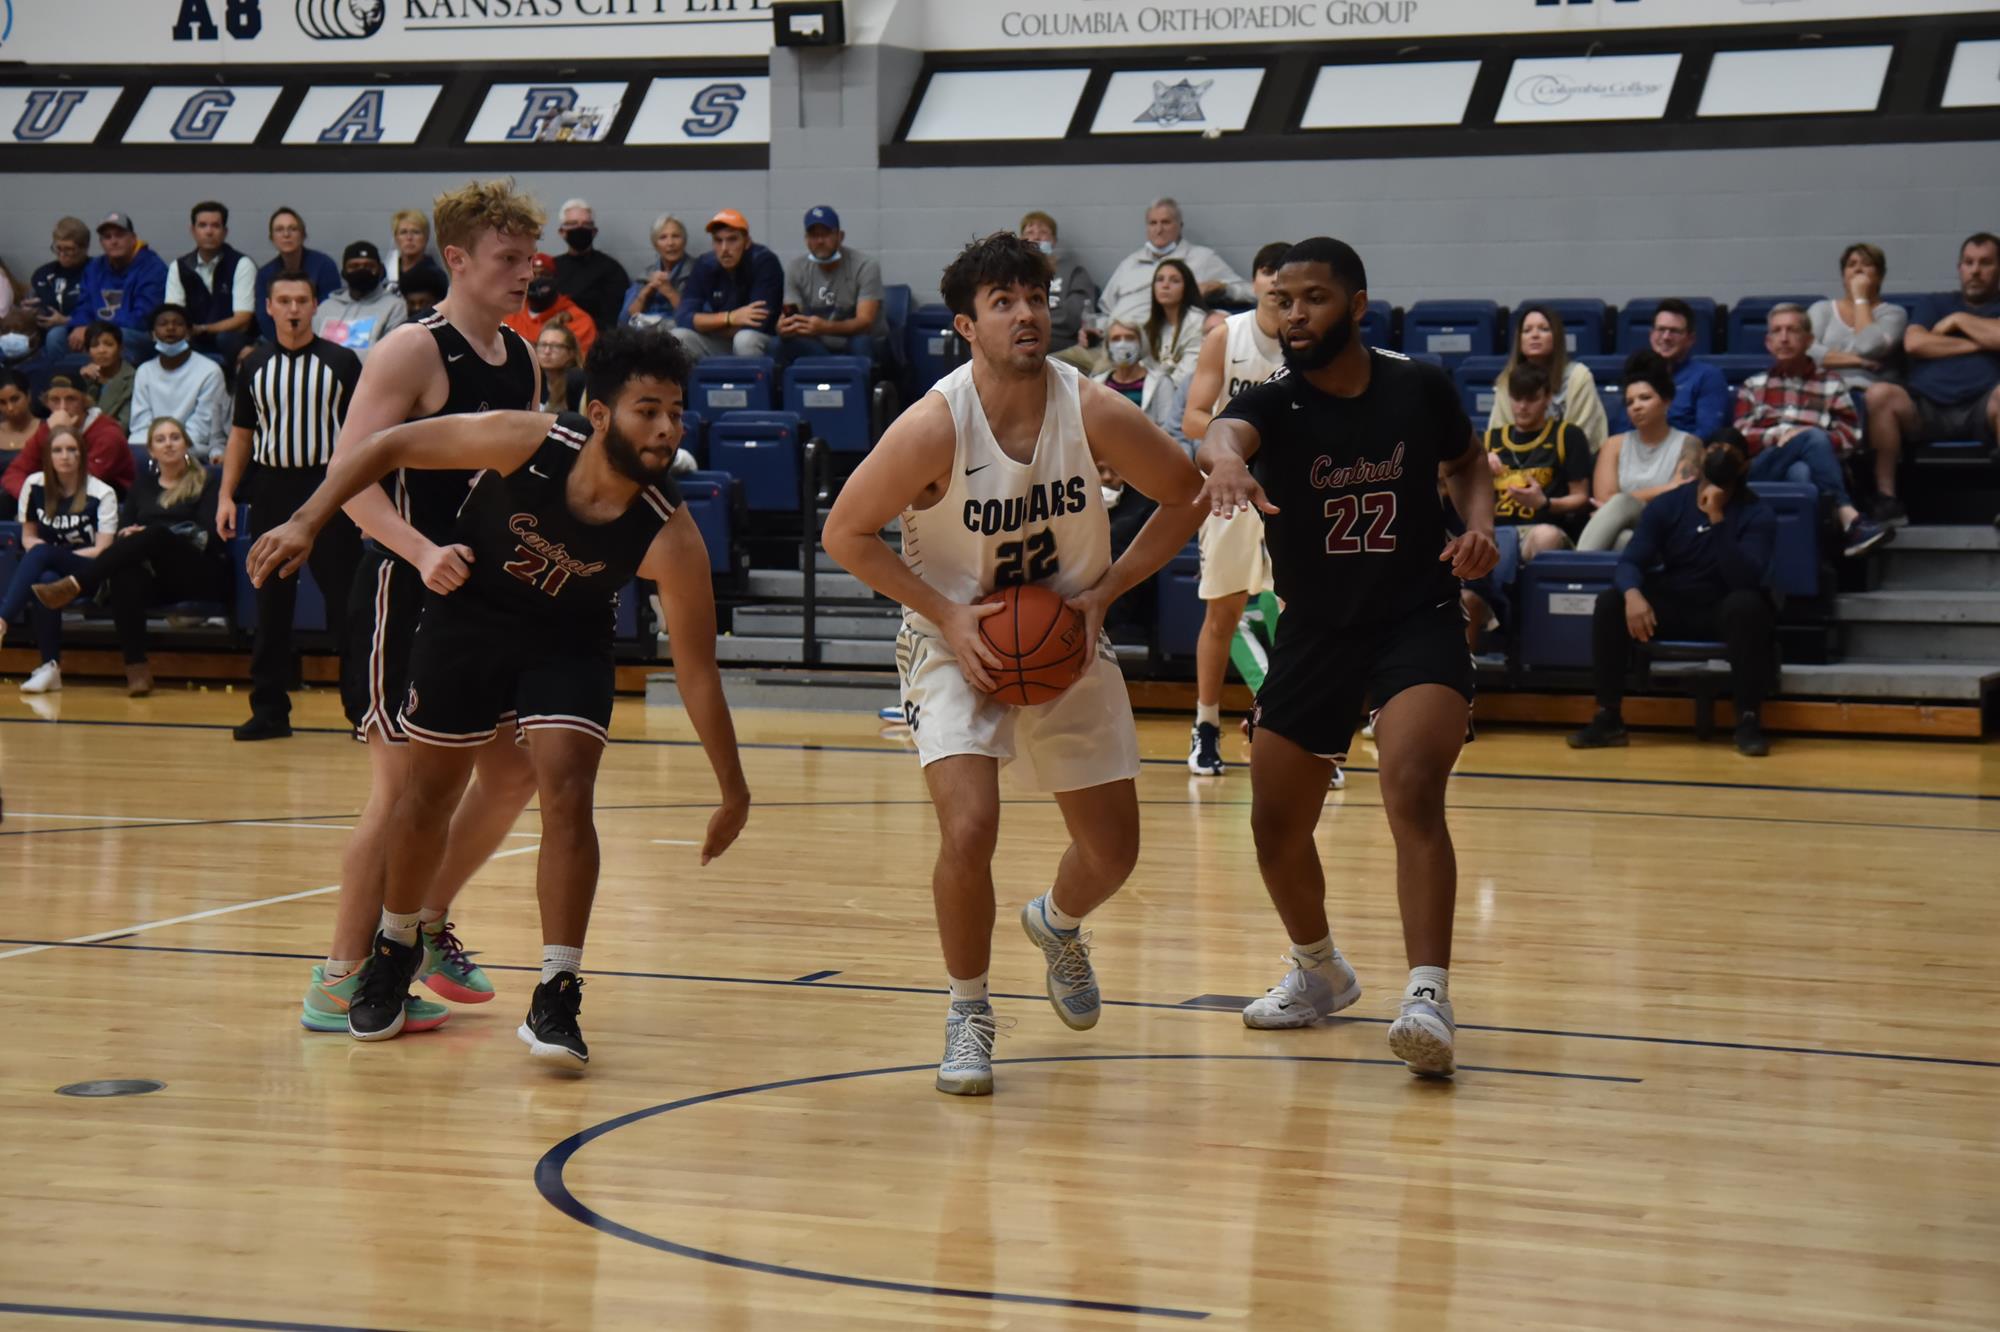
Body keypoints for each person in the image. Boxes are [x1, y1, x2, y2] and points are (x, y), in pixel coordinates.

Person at [247, 325, 750, 1064]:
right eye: (648, 411)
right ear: (600, 414)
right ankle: (394, 947)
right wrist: (305, 519)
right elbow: (386, 446)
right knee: (427, 792)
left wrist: (733, 789)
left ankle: (557, 989)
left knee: (567, 790)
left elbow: (697, 671)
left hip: (568, 638)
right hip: (469, 619)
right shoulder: (529, 441)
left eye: (675, 412)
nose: (667, 429)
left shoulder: (668, 533)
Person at [822, 232, 1207, 1097]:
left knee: (1113, 853)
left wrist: (1108, 590)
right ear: (967, 325)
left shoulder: (1091, 407)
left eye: (1034, 297)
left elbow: (1185, 493)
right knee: (969, 829)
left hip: (1063, 635)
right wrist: (947, 615)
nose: (1026, 313)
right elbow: (844, 532)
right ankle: (968, 1010)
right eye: (1003, 302)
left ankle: (1057, 923)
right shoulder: (935, 425)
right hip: (953, 642)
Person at [1196, 236, 1498, 1079]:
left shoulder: (1417, 385)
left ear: (1357, 305)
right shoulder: (1273, 400)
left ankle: (1429, 995)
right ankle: (1319, 968)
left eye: (1314, 298)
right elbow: (1221, 434)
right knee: (1274, 823)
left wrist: (1479, 527)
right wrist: (1226, 463)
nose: (1294, 315)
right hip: (1316, 629)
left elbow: (1468, 462)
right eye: (1282, 300)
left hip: (1416, 617)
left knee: (1411, 785)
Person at [276, 178, 548, 1038]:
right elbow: (348, 477)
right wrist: (423, 550)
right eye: (508, 258)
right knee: (400, 791)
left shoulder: (524, 357)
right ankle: (339, 978)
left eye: (531, 258)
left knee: (514, 771)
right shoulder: (410, 351)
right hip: (405, 588)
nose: (525, 272)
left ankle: (423, 920)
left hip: (484, 597)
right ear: (456, 259)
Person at [1569, 430, 1778, 757]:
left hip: (1723, 607)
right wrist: (1633, 594)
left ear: (1745, 466)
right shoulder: (1669, 504)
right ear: (1702, 456)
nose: (1720, 455)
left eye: (1730, 451)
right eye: (1714, 448)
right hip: (1675, 604)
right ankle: (1608, 717)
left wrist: (1718, 519)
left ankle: (1748, 720)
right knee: (1611, 601)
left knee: (1747, 605)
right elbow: (1630, 561)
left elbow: (1744, 578)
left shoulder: (1758, 513)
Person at [218, 273, 365, 741]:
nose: (294, 308)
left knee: (347, 607)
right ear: (269, 307)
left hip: (330, 489)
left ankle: (362, 712)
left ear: (316, 305)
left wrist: (366, 502)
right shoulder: (254, 363)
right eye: (284, 300)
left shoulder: (342, 362)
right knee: (270, 606)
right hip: (272, 489)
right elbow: (241, 435)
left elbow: (365, 436)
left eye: (302, 299)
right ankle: (269, 712)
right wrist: (225, 495)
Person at [1179, 241, 1289, 778]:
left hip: (1288, 490)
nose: (1275, 283)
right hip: (1229, 486)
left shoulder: (1309, 341)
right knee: (1221, 613)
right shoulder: (1227, 336)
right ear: (1255, 280)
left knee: (1293, 614)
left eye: (1284, 275)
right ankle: (1205, 725)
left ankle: (1293, 729)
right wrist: (1243, 438)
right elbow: (1193, 418)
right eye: (1267, 272)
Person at [32, 417, 226, 696]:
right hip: (157, 576)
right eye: (160, 439)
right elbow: (123, 530)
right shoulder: (143, 485)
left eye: (175, 437)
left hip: (197, 570)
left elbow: (208, 533)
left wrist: (150, 534)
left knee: (156, 534)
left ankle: (79, 582)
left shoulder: (208, 481)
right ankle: (137, 670)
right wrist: (129, 534)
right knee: (125, 574)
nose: (168, 444)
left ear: (186, 444)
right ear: (151, 450)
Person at [1864, 232, 2000, 528]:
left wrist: (1959, 321)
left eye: (1985, 263)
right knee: (1880, 394)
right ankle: (1886, 501)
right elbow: (1915, 343)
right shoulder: (1935, 303)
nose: (1975, 270)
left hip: (1983, 407)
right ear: (1959, 268)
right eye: (1969, 263)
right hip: (1926, 406)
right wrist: (1979, 342)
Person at [1734, 304, 1887, 558]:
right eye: (1777, 331)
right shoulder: (1754, 385)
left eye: (1792, 330)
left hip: (1814, 468)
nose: (1784, 338)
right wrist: (1785, 437)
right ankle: (1849, 517)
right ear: (1768, 342)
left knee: (1801, 472)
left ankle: (1804, 560)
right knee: (1812, 436)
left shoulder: (1831, 383)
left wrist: (1809, 440)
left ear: (1808, 341)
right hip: (1764, 467)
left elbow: (1851, 437)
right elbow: (1740, 437)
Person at [1461, 362, 1595, 648]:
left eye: (1531, 399)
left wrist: (1544, 502)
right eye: (1517, 398)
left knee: (1544, 537)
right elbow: (1464, 497)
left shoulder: (1567, 435)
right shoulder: (1490, 440)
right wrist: (1480, 468)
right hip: (1497, 531)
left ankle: (1534, 628)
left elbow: (1581, 497)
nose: (1522, 407)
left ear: (1548, 398)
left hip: (1542, 527)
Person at [0, 426, 119, 694]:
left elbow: (103, 550)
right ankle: (50, 668)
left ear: (82, 455)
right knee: (47, 579)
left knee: (43, 555)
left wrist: (55, 556)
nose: (64, 456)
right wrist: (51, 558)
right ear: (48, 456)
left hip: (89, 572)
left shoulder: (102, 493)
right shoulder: (34, 485)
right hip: (49, 569)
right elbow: (28, 538)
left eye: (71, 450)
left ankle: (2, 620)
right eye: (57, 450)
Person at [1577, 352, 1701, 551]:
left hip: (1668, 526)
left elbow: (1682, 493)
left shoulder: (1690, 444)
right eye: (1630, 402)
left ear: (1666, 401)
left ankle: (1577, 565)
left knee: (1622, 505)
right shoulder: (1613, 445)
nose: (1636, 407)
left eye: (1645, 398)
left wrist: (1625, 501)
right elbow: (1604, 500)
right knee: (1624, 539)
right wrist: (1666, 488)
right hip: (1628, 529)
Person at [1099, 197, 1252, 327]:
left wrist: (1220, 287)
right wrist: (1095, 329)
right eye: (1153, 223)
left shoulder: (1201, 258)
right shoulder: (1130, 263)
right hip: (1115, 338)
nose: (1159, 230)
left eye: (1165, 222)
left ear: (1180, 226)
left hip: (1161, 340)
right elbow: (1105, 310)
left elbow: (1250, 292)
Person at [2, 375, 136, 514]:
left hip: (104, 503)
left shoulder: (108, 434)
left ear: (85, 401)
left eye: (71, 399)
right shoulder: (48, 429)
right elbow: (13, 474)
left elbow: (78, 484)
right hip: (56, 501)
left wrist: (60, 433)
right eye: (55, 400)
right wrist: (31, 498)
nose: (63, 408)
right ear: (47, 403)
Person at [1488, 304, 1608, 451]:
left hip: (1568, 459)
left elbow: (1583, 435)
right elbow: (1498, 436)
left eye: (1544, 329)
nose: (1535, 335)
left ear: (1556, 337)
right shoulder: (1507, 380)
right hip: (1516, 459)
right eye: (1527, 330)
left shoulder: (1579, 377)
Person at [776, 206, 884, 367]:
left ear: (840, 236)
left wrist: (825, 327)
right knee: (782, 344)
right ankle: (829, 372)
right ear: (806, 239)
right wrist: (784, 327)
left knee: (861, 343)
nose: (820, 241)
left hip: (856, 340)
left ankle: (842, 375)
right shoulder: (795, 268)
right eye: (814, 235)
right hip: (819, 344)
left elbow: (865, 323)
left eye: (826, 234)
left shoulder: (865, 266)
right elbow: (792, 315)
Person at [673, 209, 783, 363]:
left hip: (761, 340)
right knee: (678, 337)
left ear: (747, 242)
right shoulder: (705, 264)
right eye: (718, 241)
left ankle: (756, 380)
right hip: (721, 340)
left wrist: (707, 323)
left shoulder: (764, 261)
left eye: (732, 239)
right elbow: (683, 317)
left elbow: (758, 324)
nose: (724, 248)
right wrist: (729, 318)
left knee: (744, 339)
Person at [127, 305, 228, 460]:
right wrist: (158, 444)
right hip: (150, 443)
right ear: (152, 335)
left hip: (191, 445)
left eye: (178, 324)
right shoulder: (144, 371)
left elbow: (202, 427)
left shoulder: (210, 371)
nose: (170, 328)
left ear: (188, 333)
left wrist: (170, 444)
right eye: (163, 324)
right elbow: (140, 423)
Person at [165, 201, 255, 369]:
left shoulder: (241, 264)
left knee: (226, 338)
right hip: (193, 338)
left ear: (225, 232)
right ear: (193, 230)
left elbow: (243, 320)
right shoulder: (178, 267)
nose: (209, 231)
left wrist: (204, 328)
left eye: (215, 226)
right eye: (202, 225)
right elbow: (173, 314)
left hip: (230, 340)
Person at [65, 213, 168, 359]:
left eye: (120, 235)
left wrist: (95, 331)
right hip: (96, 330)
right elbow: (84, 305)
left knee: (117, 338)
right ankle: (73, 371)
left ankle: (102, 370)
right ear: (101, 243)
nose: (113, 241)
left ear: (133, 238)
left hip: (138, 335)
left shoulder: (153, 267)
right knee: (56, 337)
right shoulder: (94, 267)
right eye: (107, 237)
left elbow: (143, 318)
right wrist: (81, 325)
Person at [1807, 242, 1907, 391]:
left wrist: (1860, 299)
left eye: (1867, 264)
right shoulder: (1821, 309)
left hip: (1869, 391)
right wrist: (1859, 361)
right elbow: (1806, 352)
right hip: (1823, 389)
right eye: (1851, 265)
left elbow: (1868, 347)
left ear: (1880, 276)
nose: (1858, 269)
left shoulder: (1894, 313)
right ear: (1844, 275)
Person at [1021, 211, 1102, 373]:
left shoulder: (1074, 271)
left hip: (1060, 344)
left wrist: (1036, 323)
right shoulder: (1012, 274)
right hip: (1020, 341)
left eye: (1043, 232)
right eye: (1030, 232)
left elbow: (1074, 316)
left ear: (1053, 241)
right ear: (1021, 240)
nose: (1036, 237)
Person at [253, 208, 341, 344]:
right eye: (279, 230)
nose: (286, 234)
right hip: (277, 340)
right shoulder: (265, 273)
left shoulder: (324, 265)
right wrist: (284, 344)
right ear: (272, 238)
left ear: (303, 235)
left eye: (293, 229)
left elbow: (330, 311)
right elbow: (264, 317)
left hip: (317, 338)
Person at [1649, 297, 1729, 441]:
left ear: (1690, 339)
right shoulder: (1639, 374)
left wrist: (1664, 449)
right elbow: (1623, 429)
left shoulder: (1708, 376)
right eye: (1660, 329)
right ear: (1651, 335)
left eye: (1674, 331)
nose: (1666, 337)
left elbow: (1707, 432)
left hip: (1685, 451)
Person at [313, 241, 408, 362]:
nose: (362, 271)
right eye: (354, 266)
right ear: (344, 272)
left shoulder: (395, 306)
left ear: (380, 270)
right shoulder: (326, 308)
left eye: (369, 266)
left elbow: (391, 355)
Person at [553, 198, 630, 336]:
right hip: (552, 336)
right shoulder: (551, 268)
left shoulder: (612, 270)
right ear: (561, 232)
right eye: (573, 224)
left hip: (594, 338)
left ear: (594, 231)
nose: (580, 228)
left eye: (586, 224)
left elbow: (612, 321)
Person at [504, 252, 599, 363]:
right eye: (533, 274)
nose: (538, 279)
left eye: (544, 275)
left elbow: (581, 363)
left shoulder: (579, 321)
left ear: (555, 279)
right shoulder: (508, 314)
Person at [29, 219, 91, 350]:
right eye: (58, 248)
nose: (62, 254)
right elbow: (32, 302)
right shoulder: (42, 274)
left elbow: (102, 311)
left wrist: (67, 321)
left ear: (84, 248)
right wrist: (26, 312)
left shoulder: (96, 271)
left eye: (69, 249)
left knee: (56, 334)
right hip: (41, 333)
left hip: (82, 331)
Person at [623, 214, 692, 328]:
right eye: (663, 238)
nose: (670, 243)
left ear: (684, 241)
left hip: (680, 331)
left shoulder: (697, 271)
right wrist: (646, 291)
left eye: (676, 236)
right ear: (655, 245)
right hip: (646, 332)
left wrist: (669, 292)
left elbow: (695, 319)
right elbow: (624, 320)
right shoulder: (646, 275)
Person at [78, 321, 135, 430]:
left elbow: (123, 424)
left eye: (109, 344)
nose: (101, 350)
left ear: (120, 348)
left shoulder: (132, 379)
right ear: (87, 351)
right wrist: (85, 382)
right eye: (95, 345)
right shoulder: (83, 377)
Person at [385, 208, 447, 299]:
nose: (409, 238)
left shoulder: (436, 276)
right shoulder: (386, 272)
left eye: (416, 232)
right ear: (396, 238)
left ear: (426, 237)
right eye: (403, 232)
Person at [537, 325, 587, 412]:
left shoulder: (576, 380)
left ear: (571, 353)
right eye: (543, 345)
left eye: (555, 346)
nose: (547, 351)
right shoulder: (533, 379)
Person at [0, 373, 36, 460]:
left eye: (15, 399)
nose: (10, 408)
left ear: (28, 396)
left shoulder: (46, 428)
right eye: (2, 402)